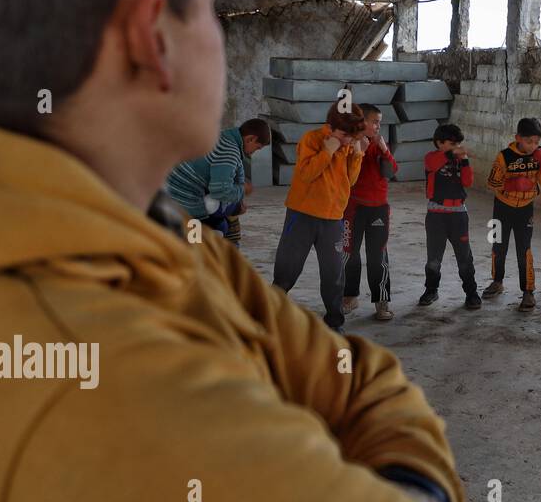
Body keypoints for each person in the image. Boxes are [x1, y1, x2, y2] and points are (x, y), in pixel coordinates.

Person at [0, 0, 463, 502]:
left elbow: (358, 374)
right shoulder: (91, 381)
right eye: (212, 7)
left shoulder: (164, 238)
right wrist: (416, 482)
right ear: (153, 37)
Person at [272, 100, 367, 333]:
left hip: (334, 217)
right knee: (287, 270)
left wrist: (357, 156)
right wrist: (327, 151)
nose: (348, 140)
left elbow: (350, 181)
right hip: (302, 214)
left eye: (352, 137)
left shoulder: (348, 145)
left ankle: (335, 322)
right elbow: (306, 174)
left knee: (334, 273)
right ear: (332, 127)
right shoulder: (312, 139)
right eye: (345, 135)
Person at [483, 117, 541, 311]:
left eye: (536, 142)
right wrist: (513, 183)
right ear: (517, 138)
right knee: (498, 245)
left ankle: (528, 292)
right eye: (529, 141)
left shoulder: (539, 155)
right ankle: (497, 282)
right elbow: (491, 183)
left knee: (525, 250)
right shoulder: (504, 156)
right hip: (501, 208)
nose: (533, 146)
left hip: (525, 210)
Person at [164, 117, 269, 243]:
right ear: (250, 139)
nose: (254, 152)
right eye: (257, 148)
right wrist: (242, 192)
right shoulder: (230, 151)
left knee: (221, 223)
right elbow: (220, 191)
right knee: (216, 214)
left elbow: (237, 172)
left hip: (169, 192)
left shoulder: (226, 137)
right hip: (186, 201)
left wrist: (240, 191)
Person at [342, 104, 398, 322]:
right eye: (374, 121)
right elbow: (344, 174)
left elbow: (390, 172)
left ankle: (381, 300)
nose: (378, 126)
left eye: (379, 122)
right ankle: (349, 296)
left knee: (378, 256)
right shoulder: (349, 144)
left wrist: (384, 150)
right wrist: (360, 151)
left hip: (378, 208)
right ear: (361, 121)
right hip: (353, 208)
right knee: (349, 253)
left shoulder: (379, 145)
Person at [419, 123, 482, 310]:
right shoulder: (431, 157)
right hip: (436, 213)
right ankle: (431, 290)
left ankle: (471, 293)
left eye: (457, 143)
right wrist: (452, 153)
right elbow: (433, 164)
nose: (455, 147)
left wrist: (465, 160)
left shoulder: (458, 159)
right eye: (451, 143)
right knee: (433, 258)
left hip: (458, 214)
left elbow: (468, 181)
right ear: (439, 143)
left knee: (464, 257)